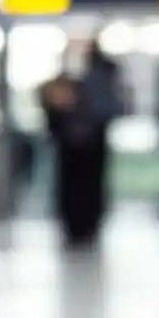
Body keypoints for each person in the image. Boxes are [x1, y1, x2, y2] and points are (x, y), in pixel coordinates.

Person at [40, 38, 126, 247]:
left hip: (91, 142)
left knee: (87, 187)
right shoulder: (67, 80)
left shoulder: (102, 77)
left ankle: (84, 227)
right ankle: (77, 227)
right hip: (73, 144)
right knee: (75, 188)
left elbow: (111, 107)